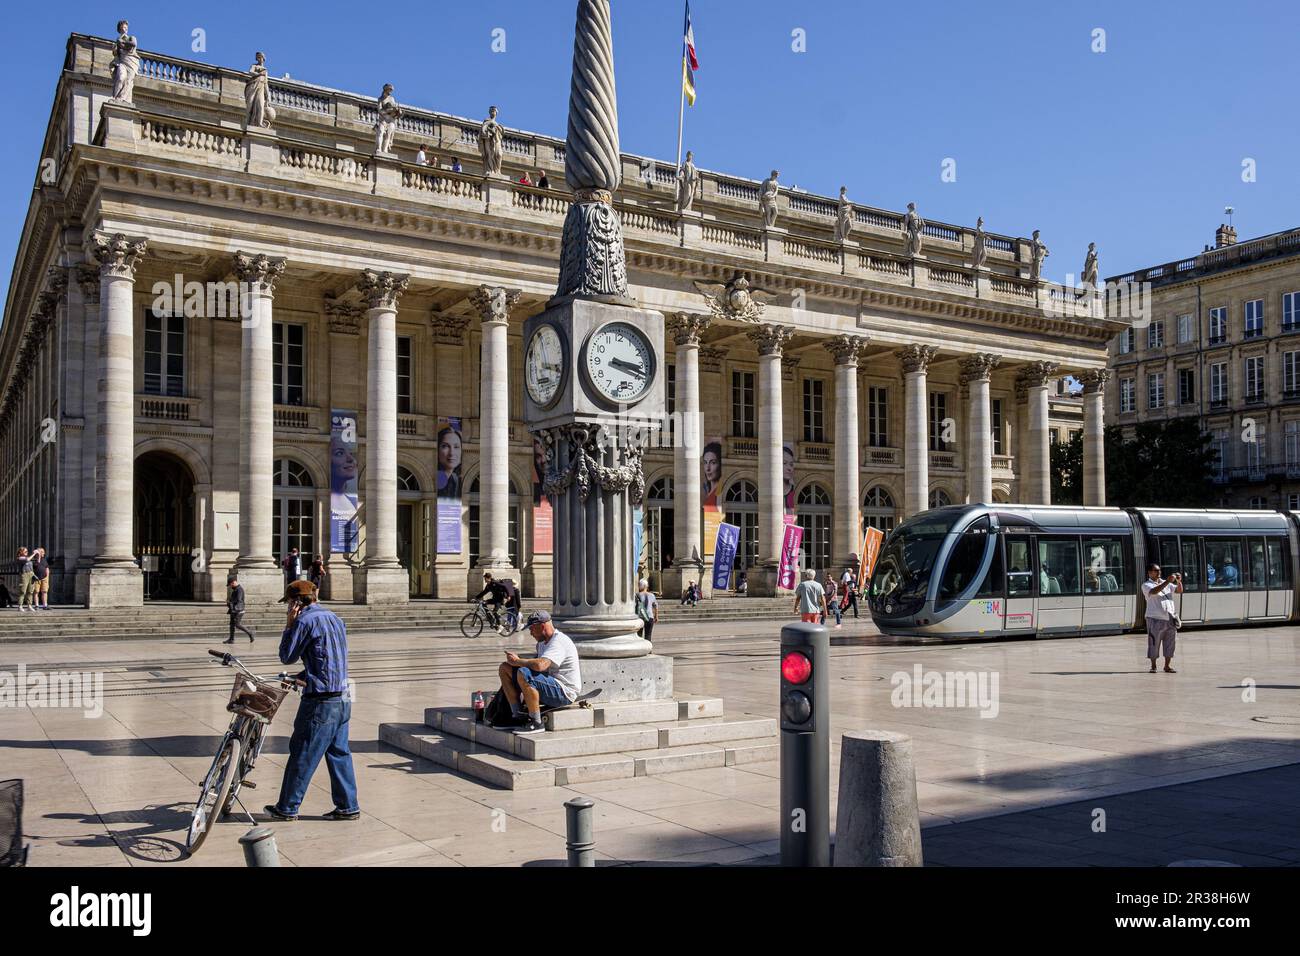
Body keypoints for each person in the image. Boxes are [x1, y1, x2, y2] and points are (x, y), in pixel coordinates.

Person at [265, 580, 359, 822]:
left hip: (320, 702)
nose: (288, 608)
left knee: (303, 752)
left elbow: (287, 655)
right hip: (343, 696)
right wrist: (304, 675)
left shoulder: (305, 620)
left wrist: (289, 624)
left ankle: (287, 807)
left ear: (296, 602)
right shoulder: (335, 618)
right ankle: (348, 806)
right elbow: (330, 660)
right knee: (339, 752)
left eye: (289, 603)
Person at [495, 611, 581, 734]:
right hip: (549, 684)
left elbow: (541, 665)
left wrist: (518, 661)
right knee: (505, 668)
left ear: (541, 626)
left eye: (531, 629)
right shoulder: (541, 643)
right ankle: (517, 716)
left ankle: (536, 722)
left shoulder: (559, 641)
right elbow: (535, 664)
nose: (530, 633)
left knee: (524, 673)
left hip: (564, 692)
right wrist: (516, 662)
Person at [1142, 563, 1182, 674]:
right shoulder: (1146, 585)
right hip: (1154, 618)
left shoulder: (1166, 583)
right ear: (1150, 573)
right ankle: (1153, 666)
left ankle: (1167, 666)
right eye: (1156, 570)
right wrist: (1168, 581)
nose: (1159, 572)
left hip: (1170, 617)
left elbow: (1179, 590)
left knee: (1170, 643)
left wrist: (1178, 581)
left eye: (1159, 570)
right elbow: (1154, 592)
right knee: (1154, 642)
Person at [224, 574, 255, 644]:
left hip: (238, 610)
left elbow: (239, 600)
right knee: (232, 624)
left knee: (237, 624)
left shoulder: (239, 589)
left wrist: (230, 603)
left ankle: (250, 633)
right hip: (234, 609)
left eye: (230, 584)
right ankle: (231, 639)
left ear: (233, 582)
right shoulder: (236, 589)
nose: (230, 586)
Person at [436, 426, 462, 498]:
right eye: (445, 446)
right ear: (437, 450)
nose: (451, 453)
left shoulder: (456, 480)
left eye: (456, 447)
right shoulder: (435, 479)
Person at [636, 579, 659, 644]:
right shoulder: (652, 595)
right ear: (647, 586)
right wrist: (656, 616)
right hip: (650, 617)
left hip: (640, 617)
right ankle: (648, 649)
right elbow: (655, 606)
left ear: (640, 586)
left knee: (639, 635)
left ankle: (639, 648)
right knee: (648, 635)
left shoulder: (637, 595)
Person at [700, 442, 722, 508]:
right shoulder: (707, 490)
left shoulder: (720, 491)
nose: (708, 468)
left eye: (713, 463)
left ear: (720, 464)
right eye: (705, 463)